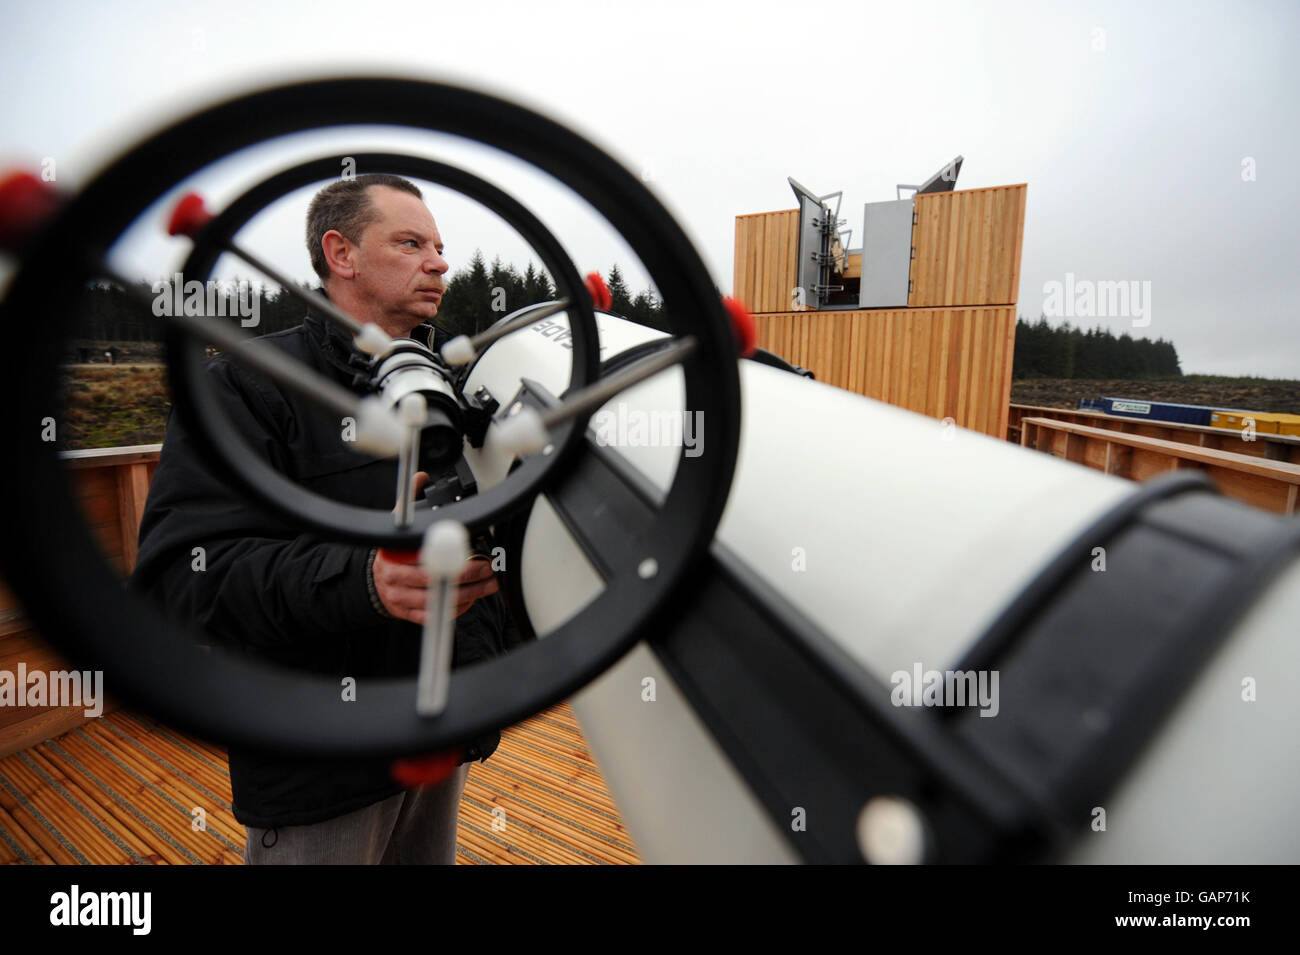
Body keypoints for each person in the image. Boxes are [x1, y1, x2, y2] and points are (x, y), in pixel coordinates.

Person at [129, 174, 512, 864]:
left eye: (441, 246)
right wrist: (366, 580)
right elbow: (180, 577)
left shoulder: (464, 380)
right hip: (319, 766)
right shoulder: (247, 383)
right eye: (410, 242)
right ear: (342, 253)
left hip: (438, 737)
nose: (440, 261)